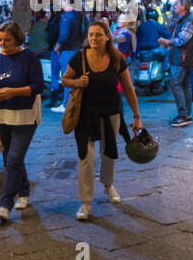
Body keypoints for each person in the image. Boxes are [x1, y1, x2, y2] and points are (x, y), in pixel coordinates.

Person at [61, 20, 143, 221]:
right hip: (85, 114)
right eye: (91, 35)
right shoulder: (79, 58)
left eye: (98, 35)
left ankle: (108, 185)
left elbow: (129, 88)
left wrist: (136, 116)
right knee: (85, 157)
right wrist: (77, 82)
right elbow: (64, 80)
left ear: (107, 37)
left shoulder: (116, 59)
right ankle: (86, 201)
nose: (94, 38)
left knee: (108, 153)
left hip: (111, 112)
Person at [0, 21, 45, 224]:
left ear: (17, 40)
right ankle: (24, 191)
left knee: (14, 158)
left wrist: (13, 92)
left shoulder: (29, 58)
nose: (2, 44)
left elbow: (38, 86)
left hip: (25, 115)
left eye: (7, 40)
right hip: (2, 114)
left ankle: (5, 203)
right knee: (12, 157)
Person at [159, 0, 193, 127]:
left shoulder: (189, 21)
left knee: (176, 84)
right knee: (184, 85)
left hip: (182, 58)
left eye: (177, 4)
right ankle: (186, 114)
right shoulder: (182, 20)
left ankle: (183, 115)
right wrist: (169, 44)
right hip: (182, 57)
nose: (174, 6)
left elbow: (182, 40)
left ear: (183, 6)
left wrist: (168, 42)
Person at [49, 1, 84, 111]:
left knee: (66, 78)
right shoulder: (78, 15)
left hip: (67, 50)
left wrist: (57, 48)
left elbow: (64, 35)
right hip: (76, 49)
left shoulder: (66, 17)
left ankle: (66, 104)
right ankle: (72, 103)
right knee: (73, 77)